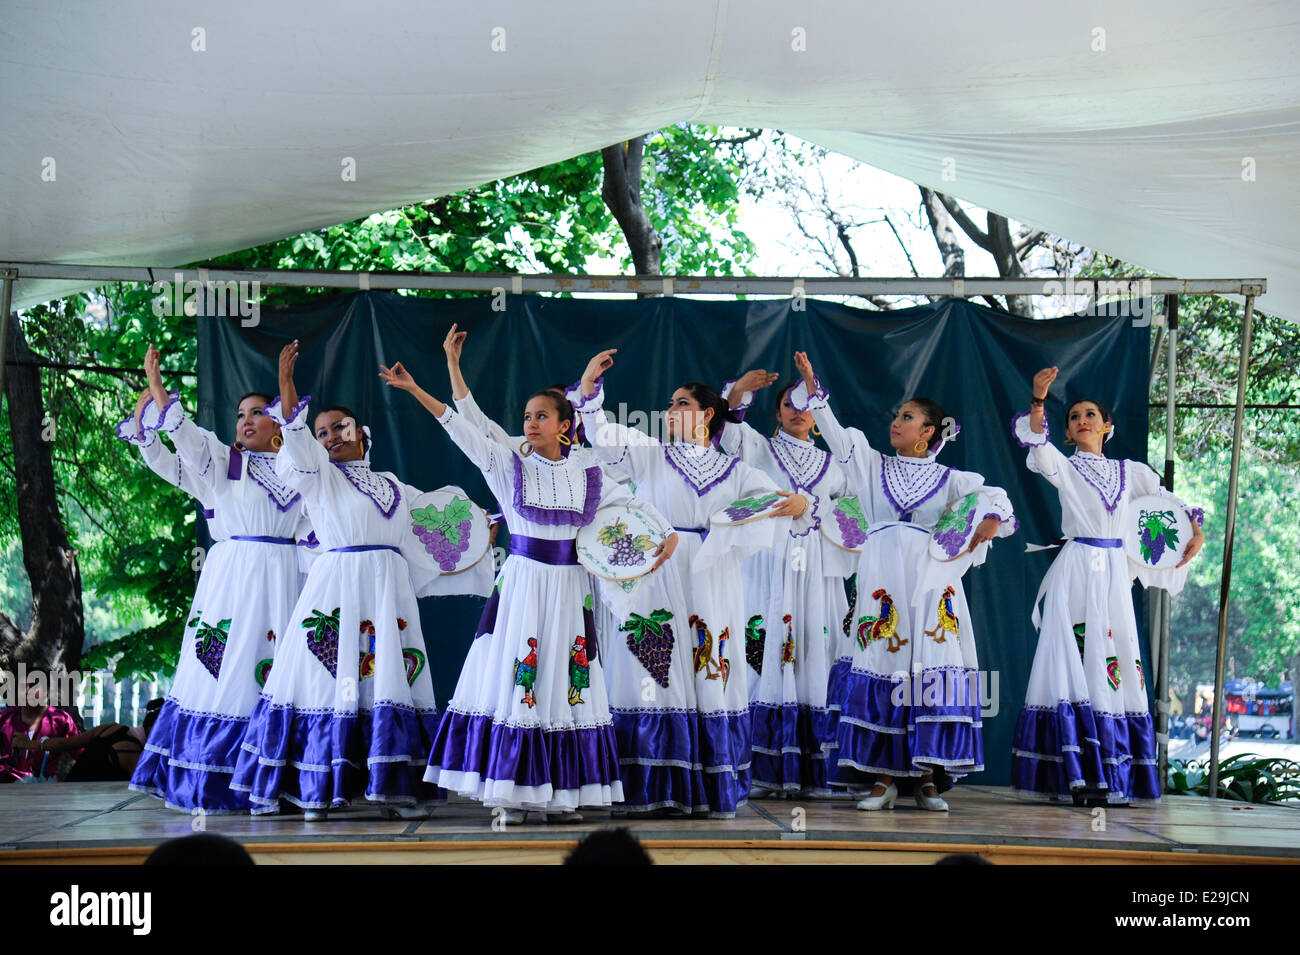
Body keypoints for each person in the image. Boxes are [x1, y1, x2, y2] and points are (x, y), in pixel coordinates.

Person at [380, 345, 676, 824]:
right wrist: (432, 381)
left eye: (541, 415)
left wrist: (666, 534)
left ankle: (563, 794)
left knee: (566, 680)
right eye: (526, 416)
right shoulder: (508, 464)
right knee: (524, 678)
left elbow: (631, 506)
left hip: (569, 589)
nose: (531, 422)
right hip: (523, 586)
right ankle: (511, 792)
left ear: (565, 424)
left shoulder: (590, 470)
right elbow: (461, 427)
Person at [231, 341, 494, 819]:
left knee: (389, 676)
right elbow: (298, 445)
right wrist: (287, 386)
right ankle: (315, 789)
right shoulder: (318, 478)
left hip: (386, 595)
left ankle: (393, 789)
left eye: (338, 428)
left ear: (361, 433)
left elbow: (439, 520)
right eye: (321, 431)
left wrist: (482, 528)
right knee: (327, 680)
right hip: (337, 592)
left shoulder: (394, 485)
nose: (329, 437)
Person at [571, 350, 812, 818]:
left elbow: (776, 503)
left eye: (681, 404)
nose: (670, 411)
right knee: (651, 668)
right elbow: (599, 434)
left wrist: (801, 504)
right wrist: (588, 388)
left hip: (712, 575)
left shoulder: (739, 471)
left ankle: (704, 788)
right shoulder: (650, 455)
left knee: (709, 666)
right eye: (670, 404)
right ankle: (646, 785)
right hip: (659, 568)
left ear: (706, 415)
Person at [791, 351, 1016, 812]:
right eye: (897, 415)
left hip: (932, 583)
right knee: (885, 661)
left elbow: (995, 497)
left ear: (929, 431)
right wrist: (815, 386)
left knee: (928, 667)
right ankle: (883, 779)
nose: (897, 422)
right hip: (882, 580)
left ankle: (929, 779)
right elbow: (834, 434)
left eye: (908, 417)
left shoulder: (953, 479)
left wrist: (990, 521)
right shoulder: (870, 466)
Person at [118, 345, 308, 812]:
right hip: (234, 584)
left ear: (278, 425)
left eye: (258, 413)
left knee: (276, 672)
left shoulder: (302, 472)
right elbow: (178, 452)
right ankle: (215, 777)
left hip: (286, 581)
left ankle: (278, 779)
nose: (246, 420)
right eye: (240, 413)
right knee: (229, 668)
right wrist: (156, 395)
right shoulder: (224, 466)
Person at [1010, 366, 1204, 805]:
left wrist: (1196, 531)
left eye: (1091, 414)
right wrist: (1039, 400)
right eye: (1075, 415)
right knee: (1075, 658)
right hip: (1078, 568)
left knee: (1115, 662)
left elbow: (1171, 503)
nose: (1082, 419)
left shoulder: (1131, 472)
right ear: (1067, 431)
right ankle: (1076, 776)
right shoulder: (1063, 465)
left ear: (1107, 425)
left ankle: (1112, 776)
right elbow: (1036, 445)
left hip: (1115, 571)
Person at [719, 370, 854, 797]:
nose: (798, 412)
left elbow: (853, 519)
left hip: (815, 570)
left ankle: (814, 772)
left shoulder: (836, 466)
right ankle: (759, 769)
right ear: (777, 412)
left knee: (815, 652)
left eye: (805, 405)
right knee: (763, 650)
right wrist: (740, 390)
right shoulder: (759, 449)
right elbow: (729, 429)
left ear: (817, 414)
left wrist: (811, 508)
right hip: (766, 564)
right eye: (789, 404)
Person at [0, 669, 81, 782]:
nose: (27, 691)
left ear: (47, 691)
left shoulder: (61, 720)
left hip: (46, 791)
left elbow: (81, 754)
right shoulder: (4, 718)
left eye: (33, 686)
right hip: (7, 790)